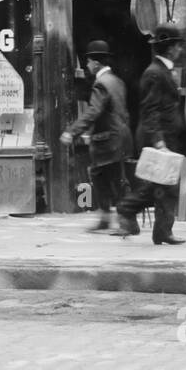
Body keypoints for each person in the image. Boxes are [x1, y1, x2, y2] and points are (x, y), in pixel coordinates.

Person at [114, 25, 186, 244]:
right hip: (161, 138)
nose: (180, 50)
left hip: (169, 137)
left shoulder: (163, 70)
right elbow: (150, 110)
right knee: (163, 186)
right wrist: (159, 142)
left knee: (164, 186)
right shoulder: (154, 73)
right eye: (177, 46)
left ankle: (162, 231)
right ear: (170, 48)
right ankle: (128, 209)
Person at [60, 40, 133, 232]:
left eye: (89, 62)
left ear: (97, 63)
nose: (87, 65)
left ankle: (126, 222)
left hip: (107, 141)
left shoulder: (101, 84)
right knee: (101, 177)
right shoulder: (117, 81)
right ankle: (106, 218)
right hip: (119, 138)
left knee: (113, 181)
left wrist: (72, 131)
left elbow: (94, 111)